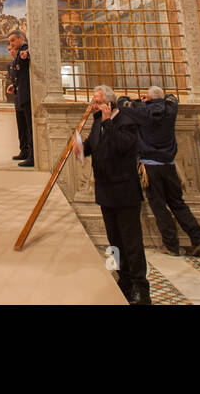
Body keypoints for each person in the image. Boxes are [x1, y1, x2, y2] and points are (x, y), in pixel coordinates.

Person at [73, 86, 149, 305]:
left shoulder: (127, 122)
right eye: (93, 102)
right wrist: (80, 148)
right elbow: (92, 146)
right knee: (114, 240)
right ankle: (123, 279)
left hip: (124, 192)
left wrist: (107, 121)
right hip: (106, 191)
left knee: (131, 241)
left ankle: (140, 287)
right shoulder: (98, 122)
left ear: (109, 103)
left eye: (97, 102)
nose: (93, 106)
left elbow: (122, 146)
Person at [132, 86, 200, 256]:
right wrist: (157, 99)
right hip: (169, 165)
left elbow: (124, 103)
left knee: (159, 205)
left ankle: (171, 244)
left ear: (148, 99)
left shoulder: (142, 112)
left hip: (150, 166)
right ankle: (198, 238)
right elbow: (173, 97)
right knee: (177, 202)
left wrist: (141, 101)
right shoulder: (170, 111)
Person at [6, 32, 33, 166]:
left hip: (27, 94)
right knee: (23, 126)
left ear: (20, 39)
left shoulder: (25, 50)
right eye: (9, 42)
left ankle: (32, 156)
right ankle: (25, 151)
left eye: (13, 40)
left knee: (29, 127)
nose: (11, 44)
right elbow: (18, 74)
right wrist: (14, 86)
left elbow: (27, 58)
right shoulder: (18, 54)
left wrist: (26, 55)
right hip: (20, 94)